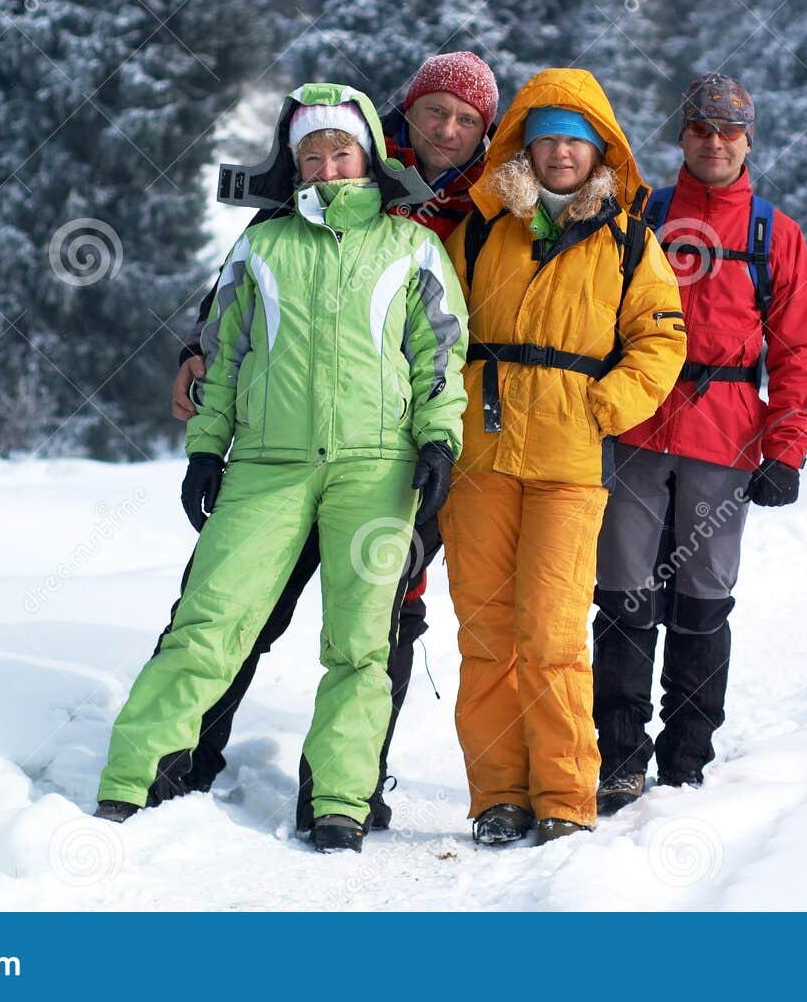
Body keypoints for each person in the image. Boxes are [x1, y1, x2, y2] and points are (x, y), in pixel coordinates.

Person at [96, 83, 468, 854]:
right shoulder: (263, 245)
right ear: (294, 165)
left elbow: (439, 360)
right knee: (209, 619)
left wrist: (439, 444)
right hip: (267, 464)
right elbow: (223, 353)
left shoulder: (411, 248)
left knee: (361, 643)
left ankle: (338, 802)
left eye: (341, 152)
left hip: (376, 468)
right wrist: (206, 448)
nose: (328, 167)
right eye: (312, 155)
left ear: (369, 156)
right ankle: (134, 776)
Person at [439, 68, 686, 846]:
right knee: (485, 637)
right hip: (479, 457)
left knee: (550, 638)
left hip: (569, 465)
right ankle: (498, 796)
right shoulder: (481, 230)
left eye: (576, 141)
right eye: (547, 139)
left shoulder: (630, 240)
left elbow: (662, 337)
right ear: (526, 146)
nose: (561, 153)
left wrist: (601, 408)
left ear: (599, 150)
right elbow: (431, 326)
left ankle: (564, 797)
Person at [591, 73, 807, 814]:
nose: (715, 141)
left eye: (729, 130)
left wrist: (786, 448)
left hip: (726, 438)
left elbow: (799, 351)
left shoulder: (773, 234)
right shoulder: (642, 213)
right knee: (623, 596)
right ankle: (619, 756)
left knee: (703, 600)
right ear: (683, 136)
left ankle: (686, 760)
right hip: (634, 427)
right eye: (701, 128)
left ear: (749, 140)